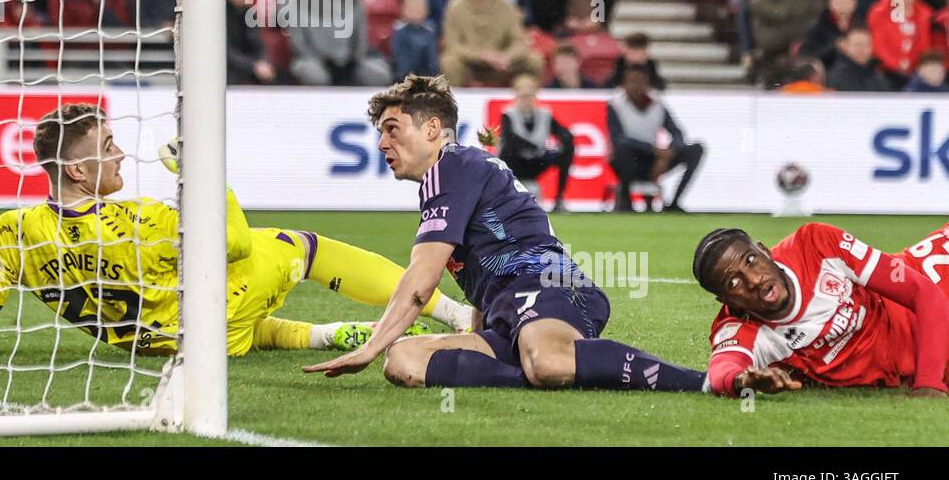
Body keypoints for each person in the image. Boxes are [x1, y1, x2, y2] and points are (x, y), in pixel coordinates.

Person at [0, 104, 471, 360]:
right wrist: (201, 174)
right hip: (214, 324)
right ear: (76, 169)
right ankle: (455, 316)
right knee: (295, 245)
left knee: (219, 298)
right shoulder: (138, 218)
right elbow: (237, 242)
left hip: (158, 344)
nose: (119, 154)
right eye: (107, 148)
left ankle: (321, 336)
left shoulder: (12, 230)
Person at [302, 74, 707, 393]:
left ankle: (702, 381)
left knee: (547, 361)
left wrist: (369, 347)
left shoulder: (451, 167)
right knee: (403, 361)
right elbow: (488, 270)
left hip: (550, 286)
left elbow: (420, 280)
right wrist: (475, 333)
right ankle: (543, 369)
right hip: (508, 310)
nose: (381, 143)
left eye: (392, 129)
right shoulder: (457, 171)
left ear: (431, 128)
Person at [691, 222, 949, 397]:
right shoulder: (741, 327)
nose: (754, 280)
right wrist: (743, 380)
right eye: (734, 283)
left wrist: (929, 383)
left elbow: (925, 294)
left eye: (751, 261)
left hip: (932, 285)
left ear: (765, 251)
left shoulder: (815, 244)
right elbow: (722, 369)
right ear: (726, 300)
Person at [606, 65, 705, 212]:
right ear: (624, 84)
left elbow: (677, 133)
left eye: (640, 81)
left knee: (697, 148)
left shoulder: (657, 106)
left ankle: (674, 203)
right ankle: (626, 201)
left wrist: (670, 151)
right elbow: (618, 138)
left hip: (654, 161)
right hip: (631, 160)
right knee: (622, 149)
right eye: (632, 81)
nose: (636, 86)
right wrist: (654, 150)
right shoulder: (616, 106)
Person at [440, 0, 544, 86]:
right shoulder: (455, 7)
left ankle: (525, 99)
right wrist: (482, 55)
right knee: (450, 62)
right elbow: (453, 45)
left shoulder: (507, 6)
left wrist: (506, 57)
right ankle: (455, 102)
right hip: (469, 64)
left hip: (501, 63)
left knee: (534, 61)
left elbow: (519, 42)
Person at [492, 73, 576, 212]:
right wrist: (535, 146)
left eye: (530, 96)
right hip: (514, 162)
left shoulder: (544, 114)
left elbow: (564, 134)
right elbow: (510, 140)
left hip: (536, 161)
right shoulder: (508, 114)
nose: (527, 101)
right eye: (523, 96)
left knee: (566, 151)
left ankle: (559, 198)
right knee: (506, 151)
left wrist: (566, 140)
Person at [826, 26, 889, 92]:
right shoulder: (837, 76)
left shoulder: (879, 79)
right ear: (846, 47)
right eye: (857, 45)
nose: (862, 49)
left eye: (866, 45)